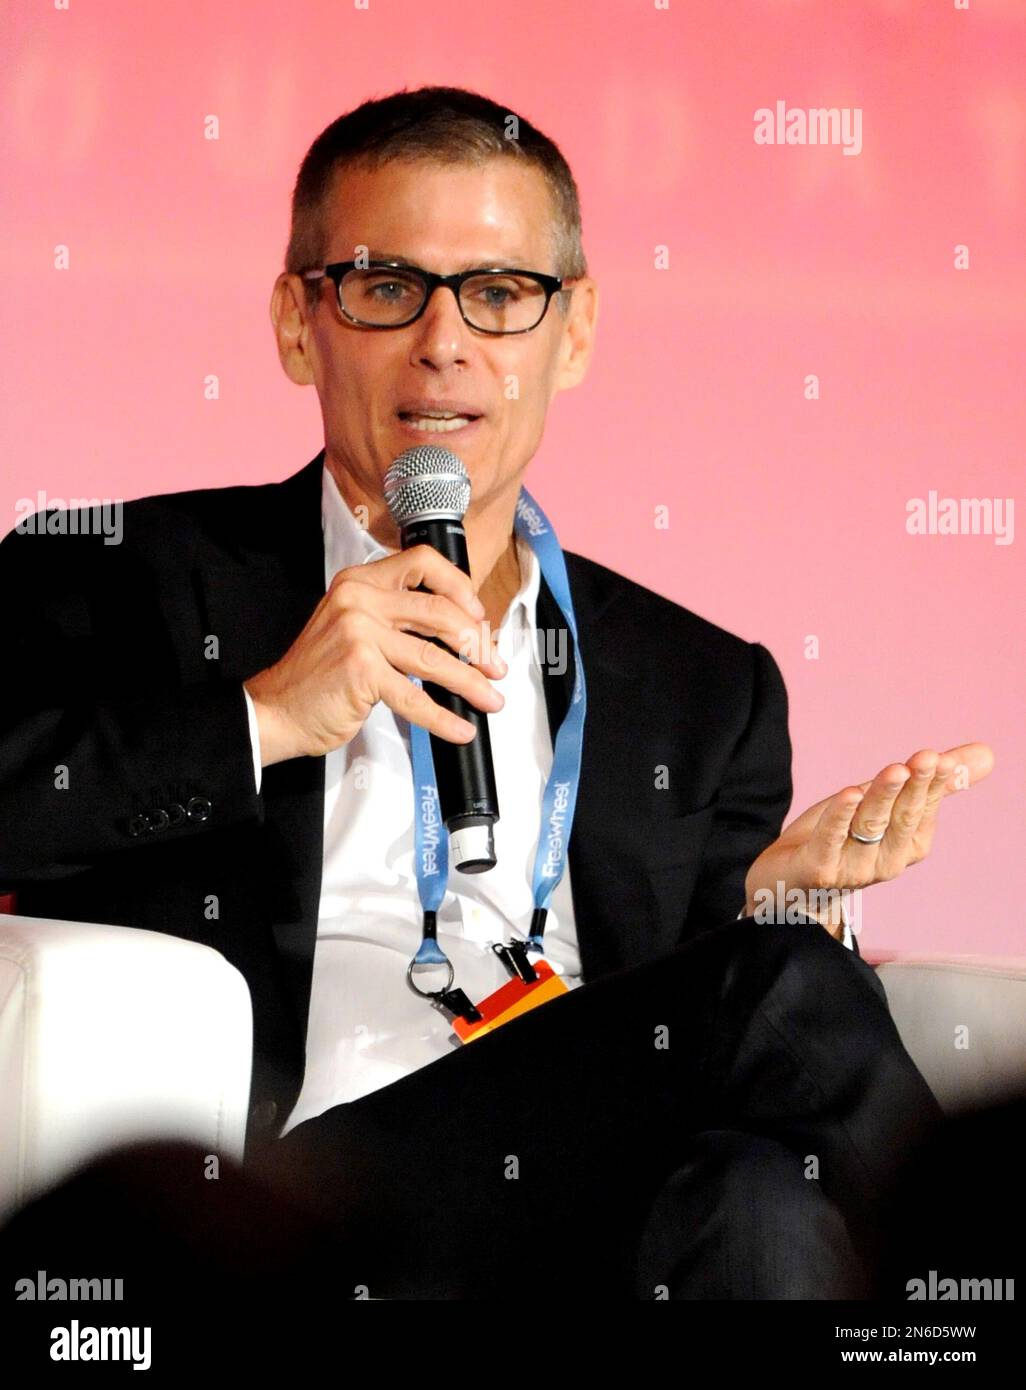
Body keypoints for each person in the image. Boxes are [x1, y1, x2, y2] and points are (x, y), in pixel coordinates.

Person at [0, 86, 994, 1300]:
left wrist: (777, 916)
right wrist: (263, 718)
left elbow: (685, 1036)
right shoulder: (114, 575)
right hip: (305, 1205)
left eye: (501, 294)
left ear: (572, 336)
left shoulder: (705, 688)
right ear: (298, 325)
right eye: (385, 287)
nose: (445, 342)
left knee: (755, 1195)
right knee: (769, 993)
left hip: (592, 1212)